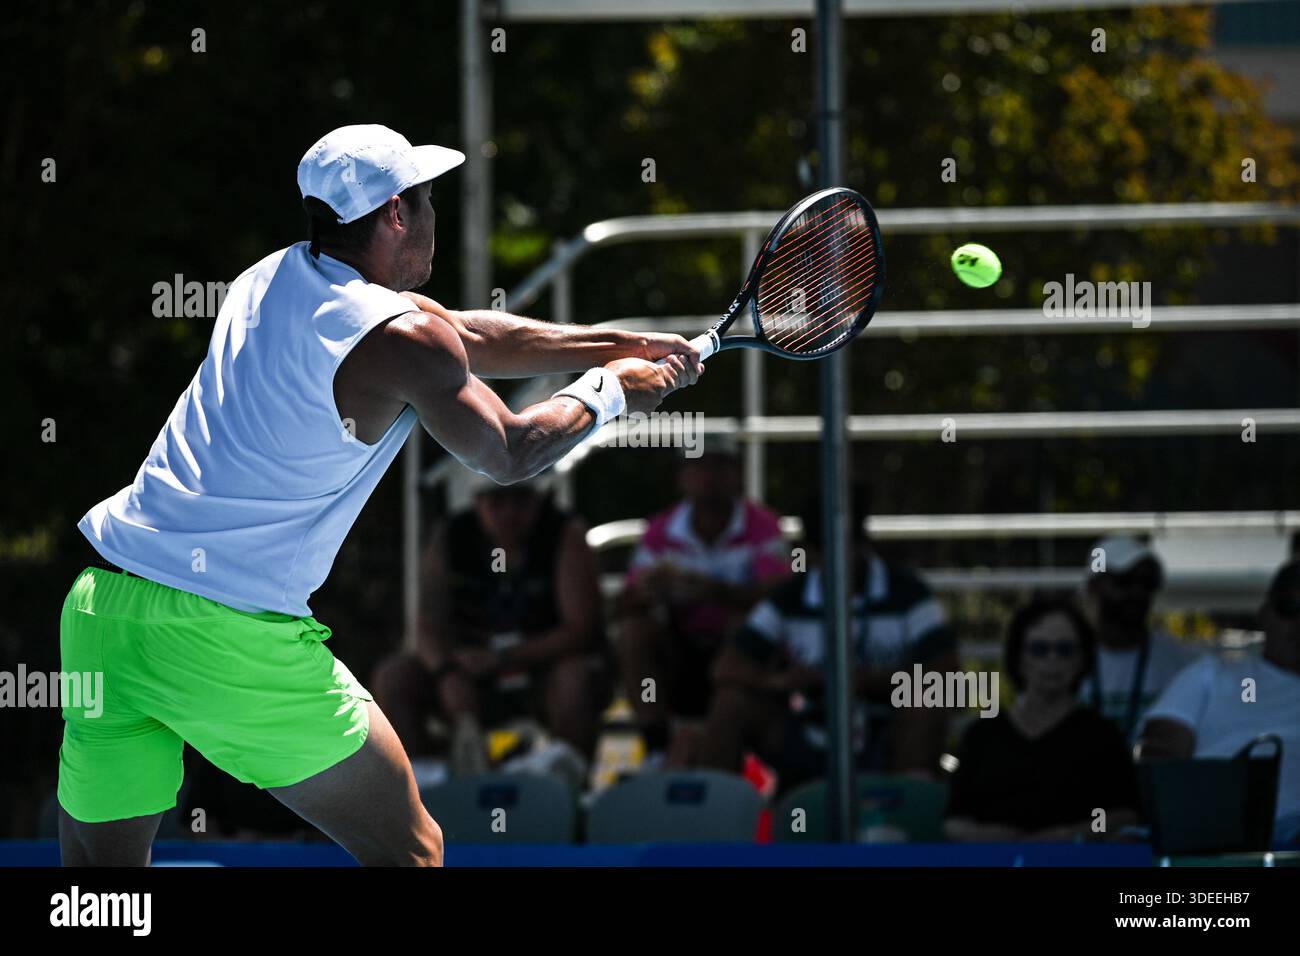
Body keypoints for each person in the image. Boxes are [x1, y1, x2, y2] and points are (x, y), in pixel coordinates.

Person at [59, 124, 702, 866]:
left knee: (99, 890)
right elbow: (512, 449)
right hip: (224, 632)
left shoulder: (270, 276)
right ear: (397, 212)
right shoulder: (397, 338)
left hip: (103, 609)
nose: (435, 217)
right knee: (413, 852)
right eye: (426, 201)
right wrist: (611, 391)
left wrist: (614, 342)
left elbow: (462, 333)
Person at [697, 487, 958, 786]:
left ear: (863, 545)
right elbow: (725, 668)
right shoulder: (790, 596)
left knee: (928, 701)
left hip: (888, 727)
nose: (835, 564)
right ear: (810, 552)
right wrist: (782, 682)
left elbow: (947, 673)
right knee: (731, 703)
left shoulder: (907, 592)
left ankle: (902, 815)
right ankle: (717, 816)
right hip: (805, 727)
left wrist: (866, 681)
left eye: (846, 549)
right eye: (823, 552)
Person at [372, 477, 606, 781]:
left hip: (541, 670)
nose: (509, 512)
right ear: (477, 502)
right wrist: (446, 673)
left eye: (521, 499)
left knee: (575, 676)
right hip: (469, 674)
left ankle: (563, 782)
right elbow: (427, 627)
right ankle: (427, 779)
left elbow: (581, 629)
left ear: (538, 499)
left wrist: (504, 657)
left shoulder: (565, 533)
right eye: (496, 501)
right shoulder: (450, 536)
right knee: (394, 677)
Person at [611, 440, 789, 760]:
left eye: (720, 465)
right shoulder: (659, 531)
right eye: (698, 465)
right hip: (679, 649)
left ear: (738, 474)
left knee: (743, 625)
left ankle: (723, 743)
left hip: (740, 653)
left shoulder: (765, 528)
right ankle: (656, 748)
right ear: (682, 475)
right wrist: (647, 592)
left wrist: (715, 592)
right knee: (633, 633)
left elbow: (780, 597)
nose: (709, 475)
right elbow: (624, 606)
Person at [944, 599, 1139, 842]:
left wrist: (1070, 836)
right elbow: (954, 820)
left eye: (1065, 650)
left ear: (1082, 659)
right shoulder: (982, 734)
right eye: (1039, 649)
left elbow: (1124, 815)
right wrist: (994, 838)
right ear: (1019, 657)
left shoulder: (1102, 736)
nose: (1052, 659)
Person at [1137, 559, 1300, 844]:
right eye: (1289, 607)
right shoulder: (1211, 672)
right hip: (1217, 832)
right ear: (1264, 613)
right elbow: (1159, 758)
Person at [1080, 536, 1203, 742]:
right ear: (1094, 586)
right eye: (1123, 580)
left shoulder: (1182, 663)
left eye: (1148, 583)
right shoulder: (1060, 657)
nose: (1137, 592)